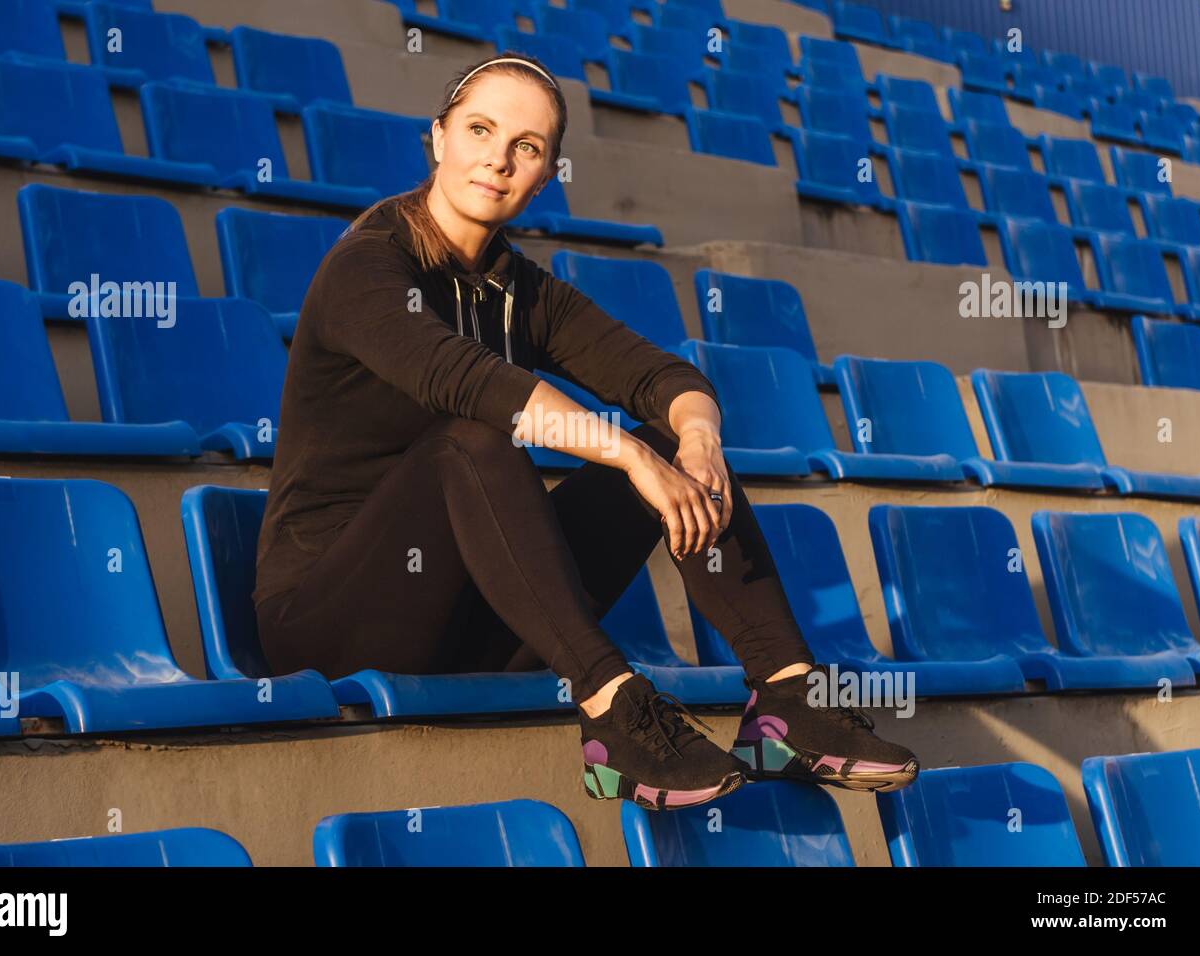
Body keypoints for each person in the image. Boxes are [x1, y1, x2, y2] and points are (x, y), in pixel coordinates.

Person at [253, 52, 918, 810]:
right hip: (334, 622)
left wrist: (691, 446)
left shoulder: (520, 291)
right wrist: (630, 456)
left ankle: (787, 703)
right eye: (480, 129)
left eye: (526, 148)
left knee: (674, 444)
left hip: (481, 624)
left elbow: (665, 379)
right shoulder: (368, 269)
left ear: (545, 176)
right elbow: (467, 381)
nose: (498, 160)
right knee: (474, 441)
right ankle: (614, 714)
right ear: (437, 138)